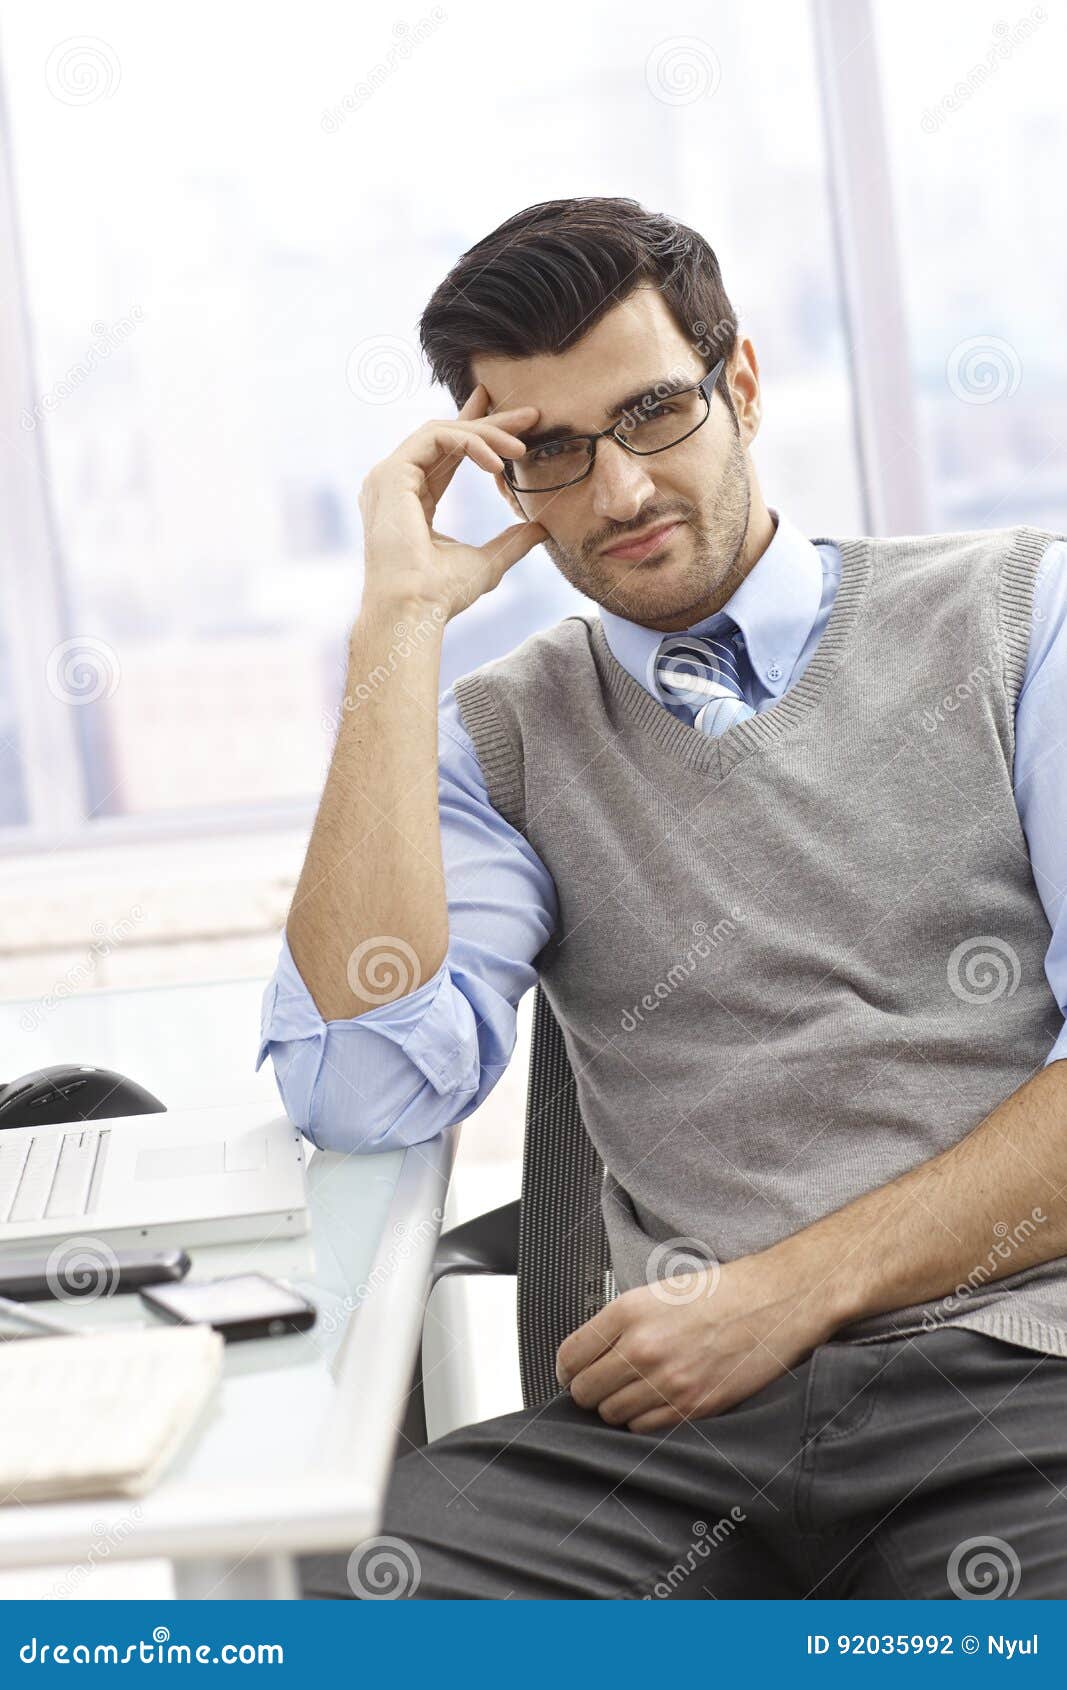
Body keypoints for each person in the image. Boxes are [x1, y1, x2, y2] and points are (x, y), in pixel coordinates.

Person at [258, 198, 1067, 1600]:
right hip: (678, 1442)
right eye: (553, 452)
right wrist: (395, 632)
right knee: (331, 1602)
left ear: (739, 382)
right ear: (502, 479)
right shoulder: (504, 742)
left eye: (652, 415)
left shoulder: (1020, 621)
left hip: (1016, 1386)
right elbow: (365, 1086)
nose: (619, 493)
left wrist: (784, 1291)